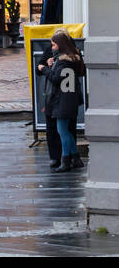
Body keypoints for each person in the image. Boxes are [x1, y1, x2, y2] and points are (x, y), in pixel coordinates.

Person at [42, 31, 86, 172]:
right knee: (66, 131)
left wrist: (44, 69)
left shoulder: (63, 61)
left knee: (62, 131)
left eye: (54, 45)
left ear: (60, 45)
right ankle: (76, 158)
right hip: (70, 99)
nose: (52, 47)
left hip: (63, 101)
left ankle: (66, 160)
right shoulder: (73, 59)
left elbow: (55, 78)